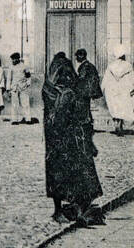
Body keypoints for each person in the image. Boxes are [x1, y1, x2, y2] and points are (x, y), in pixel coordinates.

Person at [42, 51, 104, 225]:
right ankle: (77, 208)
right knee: (74, 172)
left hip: (52, 141)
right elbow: (76, 115)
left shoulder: (48, 89)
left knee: (55, 174)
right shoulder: (67, 93)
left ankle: (60, 209)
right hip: (70, 140)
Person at [102, 44, 134, 133]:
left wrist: (102, 89)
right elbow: (132, 79)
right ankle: (120, 125)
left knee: (115, 108)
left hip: (112, 91)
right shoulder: (128, 65)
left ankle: (117, 124)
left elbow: (105, 79)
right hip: (124, 91)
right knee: (122, 107)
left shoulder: (110, 66)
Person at [74, 48, 103, 130]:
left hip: (84, 91)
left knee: (83, 107)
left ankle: (85, 125)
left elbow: (81, 79)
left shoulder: (84, 66)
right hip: (88, 91)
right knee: (86, 107)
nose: (76, 59)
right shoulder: (90, 65)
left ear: (81, 56)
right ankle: (88, 124)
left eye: (77, 56)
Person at [8, 51, 34, 124]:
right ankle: (14, 120)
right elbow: (9, 78)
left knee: (25, 103)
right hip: (14, 88)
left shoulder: (24, 66)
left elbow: (28, 76)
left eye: (14, 59)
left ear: (18, 59)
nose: (13, 61)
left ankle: (28, 119)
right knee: (14, 104)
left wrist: (27, 84)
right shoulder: (11, 67)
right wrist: (8, 88)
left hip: (23, 87)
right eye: (12, 59)